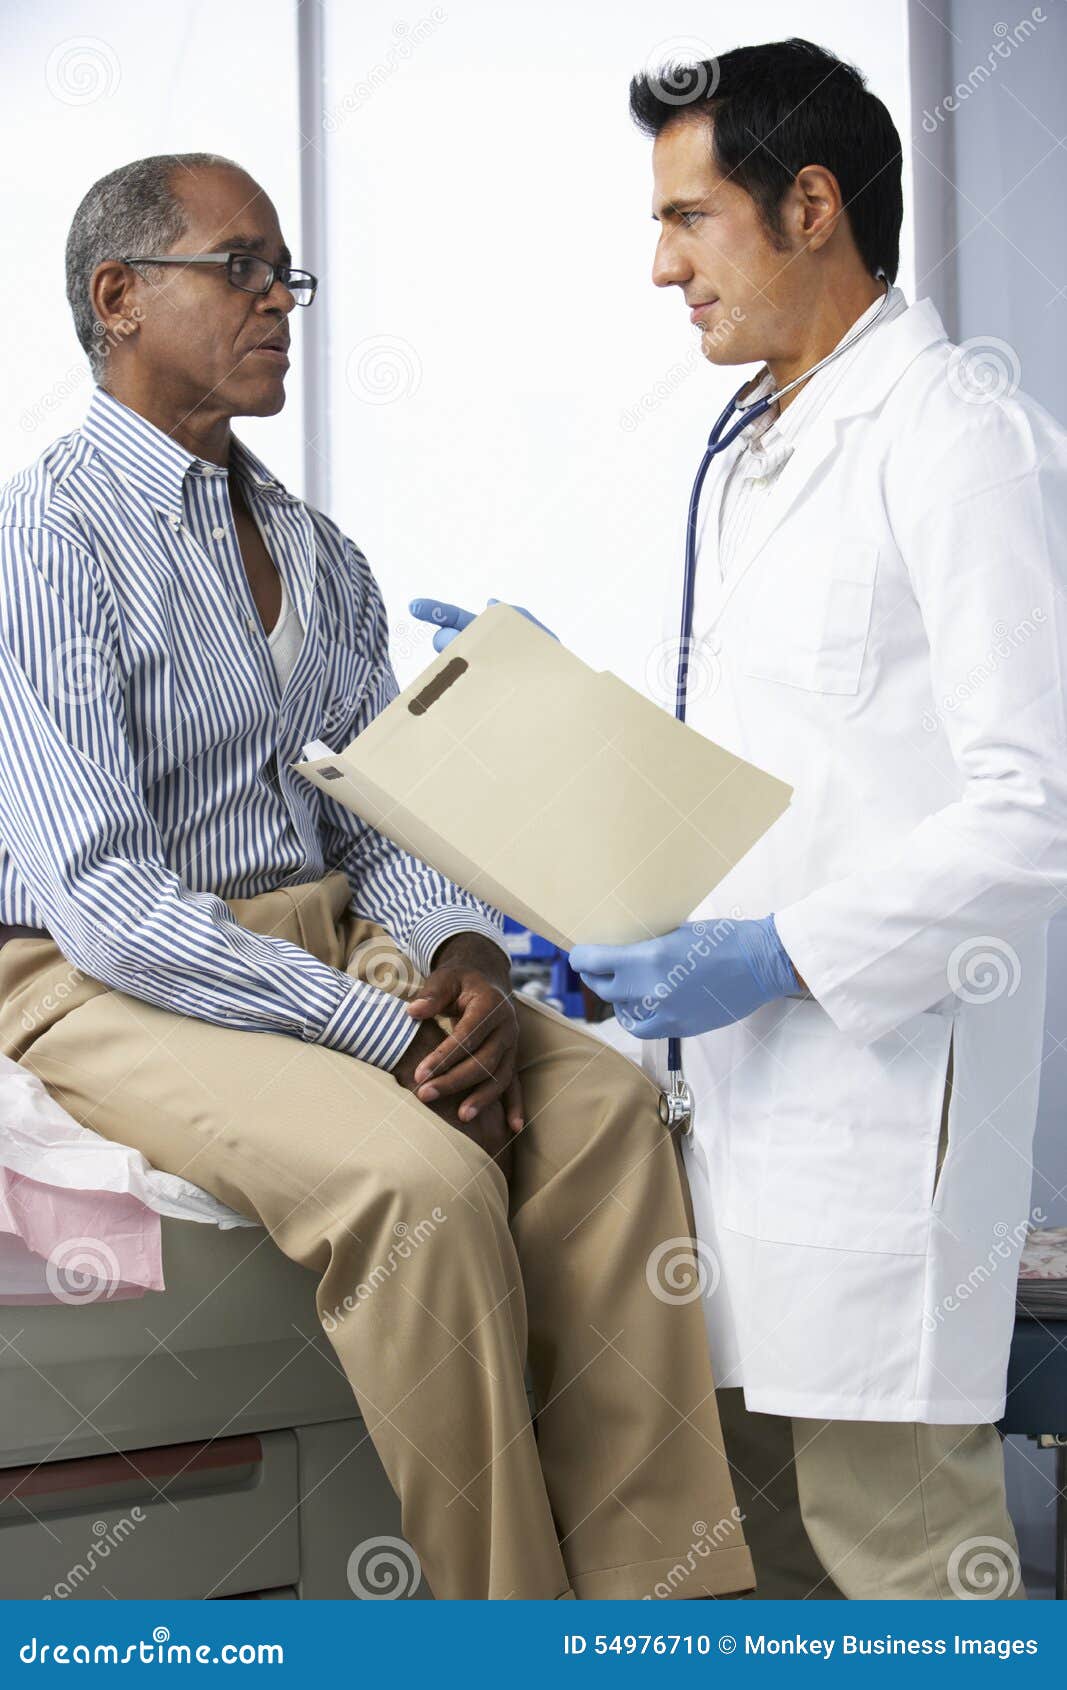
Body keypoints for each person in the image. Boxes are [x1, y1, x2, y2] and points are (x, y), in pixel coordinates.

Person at [0, 153, 755, 1601]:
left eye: (285, 272)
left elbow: (373, 822)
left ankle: (661, 1605)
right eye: (240, 268)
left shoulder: (315, 552)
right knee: (424, 1183)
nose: (279, 300)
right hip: (104, 976)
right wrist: (375, 1029)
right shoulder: (46, 542)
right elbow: (101, 896)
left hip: (321, 936)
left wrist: (463, 960)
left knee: (603, 1112)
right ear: (119, 297)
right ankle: (504, 1628)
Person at [414, 38, 1067, 1600]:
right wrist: (555, 718)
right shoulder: (755, 447)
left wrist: (778, 952)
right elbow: (784, 763)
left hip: (877, 1105)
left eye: (688, 218)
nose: (663, 266)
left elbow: (1039, 804)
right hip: (734, 1125)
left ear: (812, 207)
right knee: (765, 1563)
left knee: (904, 1553)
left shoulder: (956, 436)